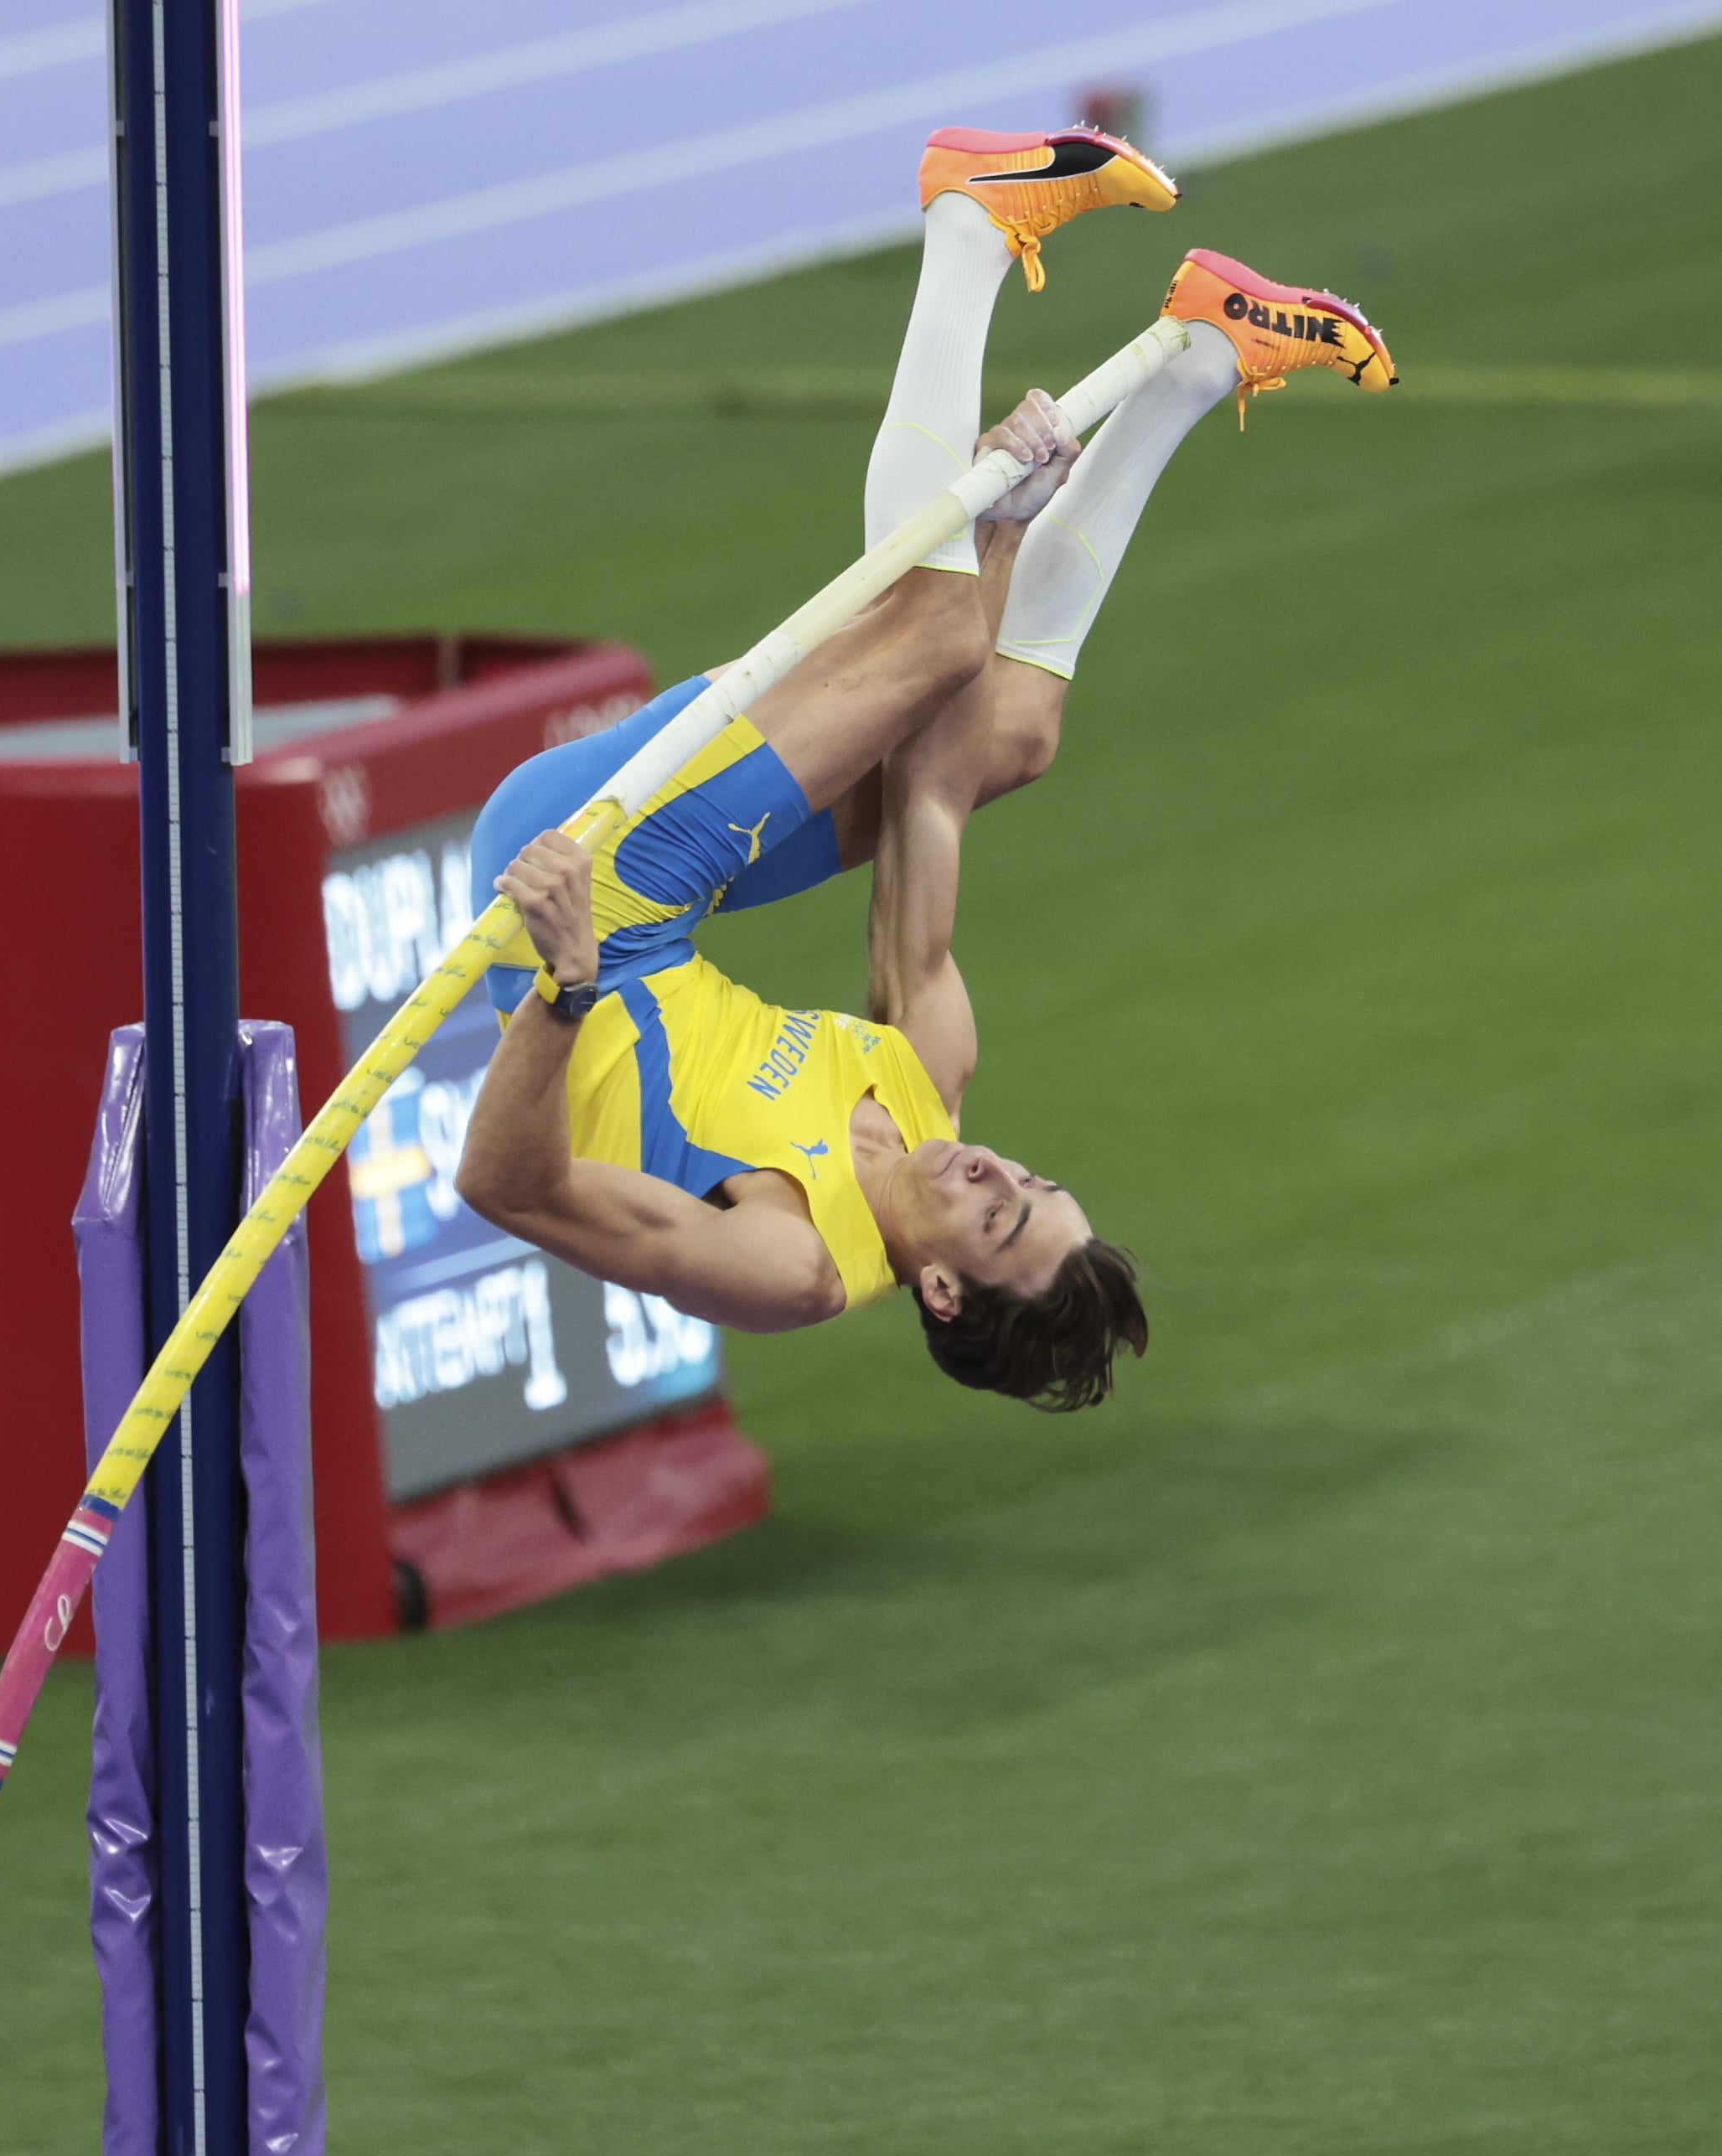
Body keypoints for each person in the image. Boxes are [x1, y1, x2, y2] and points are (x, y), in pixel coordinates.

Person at [459, 129, 1394, 1412]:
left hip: (581, 893)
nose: (998, 1178)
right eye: (1037, 1186)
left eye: (1001, 1222)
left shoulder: (790, 1265)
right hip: (666, 898)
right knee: (1008, 735)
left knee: (935, 633)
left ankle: (965, 221)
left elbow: (507, 1189)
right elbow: (932, 792)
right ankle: (1196, 353)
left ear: (943, 1293)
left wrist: (565, 991)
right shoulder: (928, 1087)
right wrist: (999, 531)